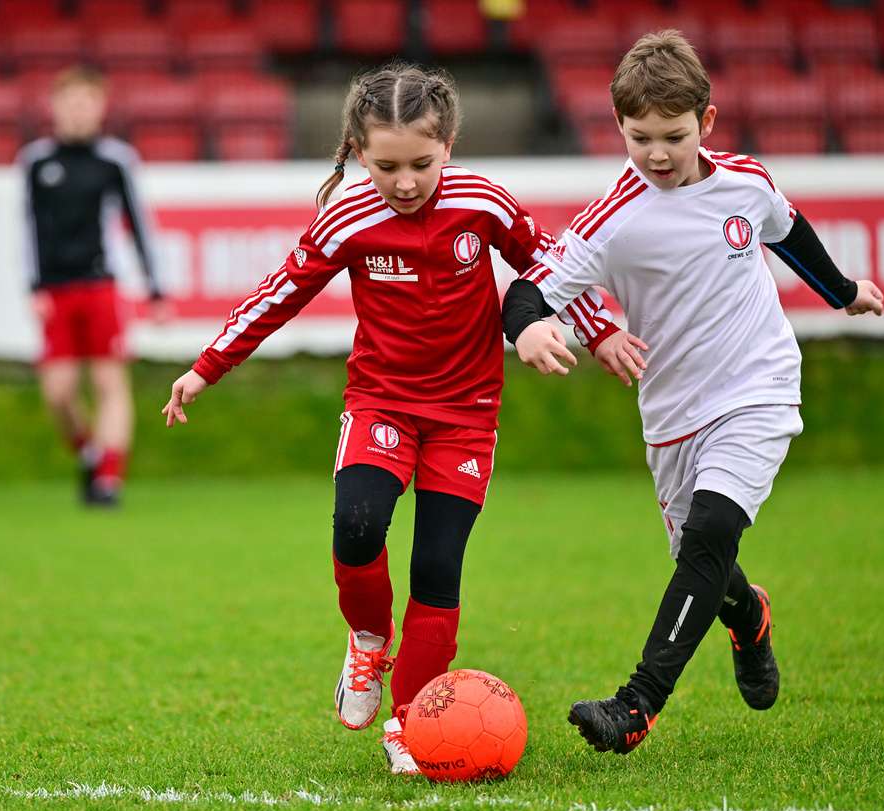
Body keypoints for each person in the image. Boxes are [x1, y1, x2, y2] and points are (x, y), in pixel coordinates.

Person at [161, 63, 645, 774]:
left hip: (466, 415)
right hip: (381, 402)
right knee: (357, 529)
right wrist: (205, 367)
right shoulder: (347, 218)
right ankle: (365, 639)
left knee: (437, 568)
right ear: (359, 154)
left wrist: (596, 328)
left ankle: (409, 721)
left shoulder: (483, 203)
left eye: (422, 162)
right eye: (387, 166)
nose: (406, 181)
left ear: (448, 143)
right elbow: (279, 294)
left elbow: (549, 261)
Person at [502, 30, 884, 755]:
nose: (656, 154)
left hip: (759, 388)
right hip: (672, 414)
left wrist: (843, 293)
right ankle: (749, 616)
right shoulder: (613, 218)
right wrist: (527, 331)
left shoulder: (746, 182)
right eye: (638, 137)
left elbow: (789, 231)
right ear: (619, 128)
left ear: (706, 122)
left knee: (709, 534)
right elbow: (527, 291)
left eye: (672, 136)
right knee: (706, 565)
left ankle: (635, 706)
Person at [18, 65, 165, 507]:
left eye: (88, 102)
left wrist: (155, 289)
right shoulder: (36, 161)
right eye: (71, 102)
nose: (79, 111)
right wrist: (33, 286)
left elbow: (138, 225)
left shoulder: (115, 161)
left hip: (101, 286)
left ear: (101, 108)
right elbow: (29, 229)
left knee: (109, 383)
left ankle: (108, 480)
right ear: (55, 106)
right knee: (58, 393)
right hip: (55, 292)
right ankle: (88, 451)